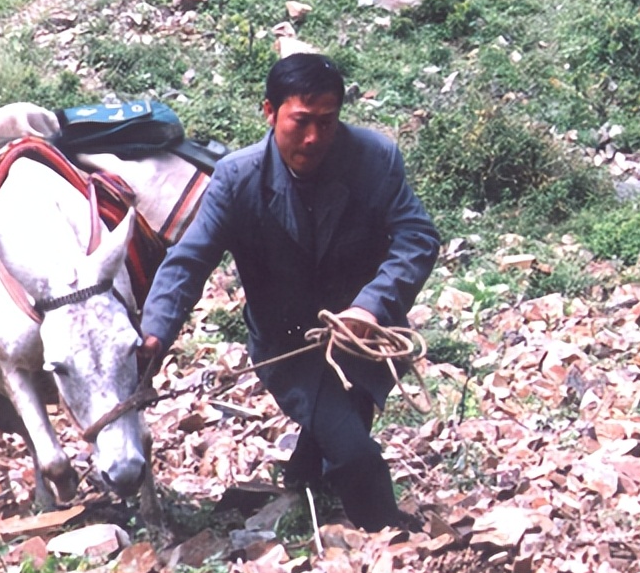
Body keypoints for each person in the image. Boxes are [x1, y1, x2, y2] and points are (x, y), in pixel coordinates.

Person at [137, 53, 441, 531]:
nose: (314, 138)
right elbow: (190, 259)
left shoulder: (373, 159)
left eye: (327, 122)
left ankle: (302, 476)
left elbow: (418, 237)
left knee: (346, 418)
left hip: (362, 336)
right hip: (288, 342)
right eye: (301, 122)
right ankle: (386, 527)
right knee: (354, 450)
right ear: (270, 112)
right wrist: (155, 331)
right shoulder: (237, 179)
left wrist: (370, 305)